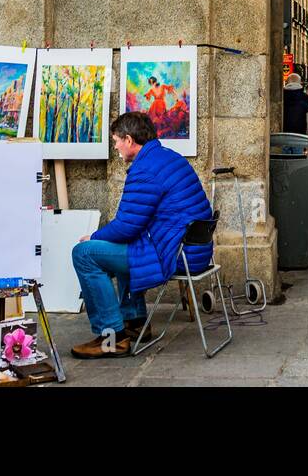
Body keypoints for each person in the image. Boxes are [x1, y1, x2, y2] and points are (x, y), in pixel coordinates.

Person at [70, 111, 213, 358]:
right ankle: (134, 320)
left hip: (176, 254)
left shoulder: (144, 170)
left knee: (83, 254)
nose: (115, 147)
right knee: (129, 243)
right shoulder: (168, 157)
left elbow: (127, 225)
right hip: (194, 249)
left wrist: (94, 237)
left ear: (128, 140)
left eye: (116, 141)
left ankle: (111, 336)